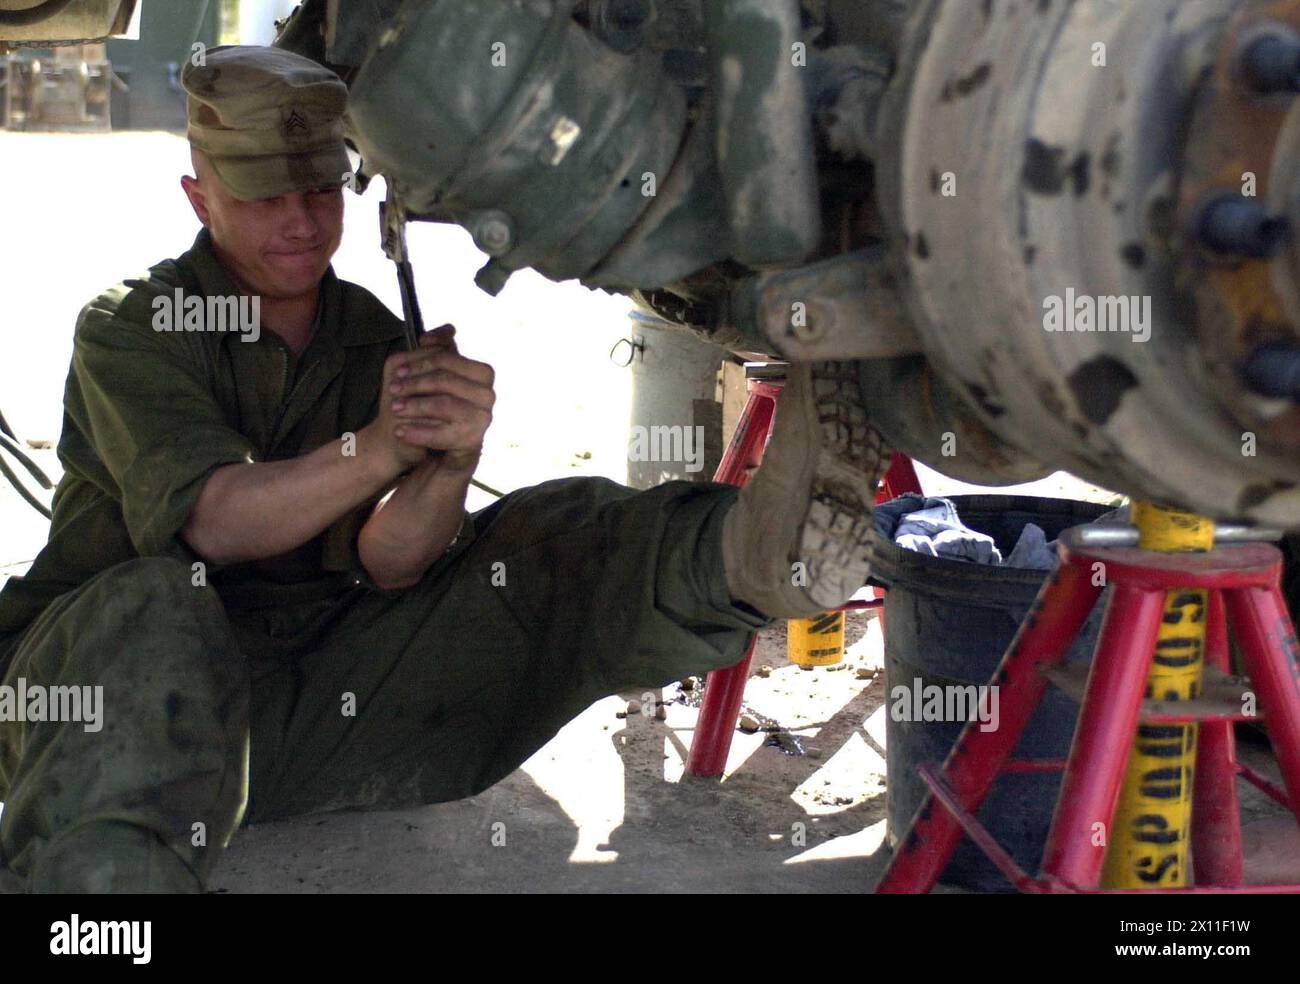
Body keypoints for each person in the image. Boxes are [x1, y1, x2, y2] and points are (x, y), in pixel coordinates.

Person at [0, 45, 885, 893]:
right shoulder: (134, 323)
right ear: (199, 197)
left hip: (282, 721)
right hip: (108, 714)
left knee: (550, 526)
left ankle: (748, 557)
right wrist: (382, 445)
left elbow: (393, 562)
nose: (302, 220)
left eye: (318, 187)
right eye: (265, 195)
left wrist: (447, 465)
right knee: (158, 601)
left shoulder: (371, 337)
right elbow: (219, 523)